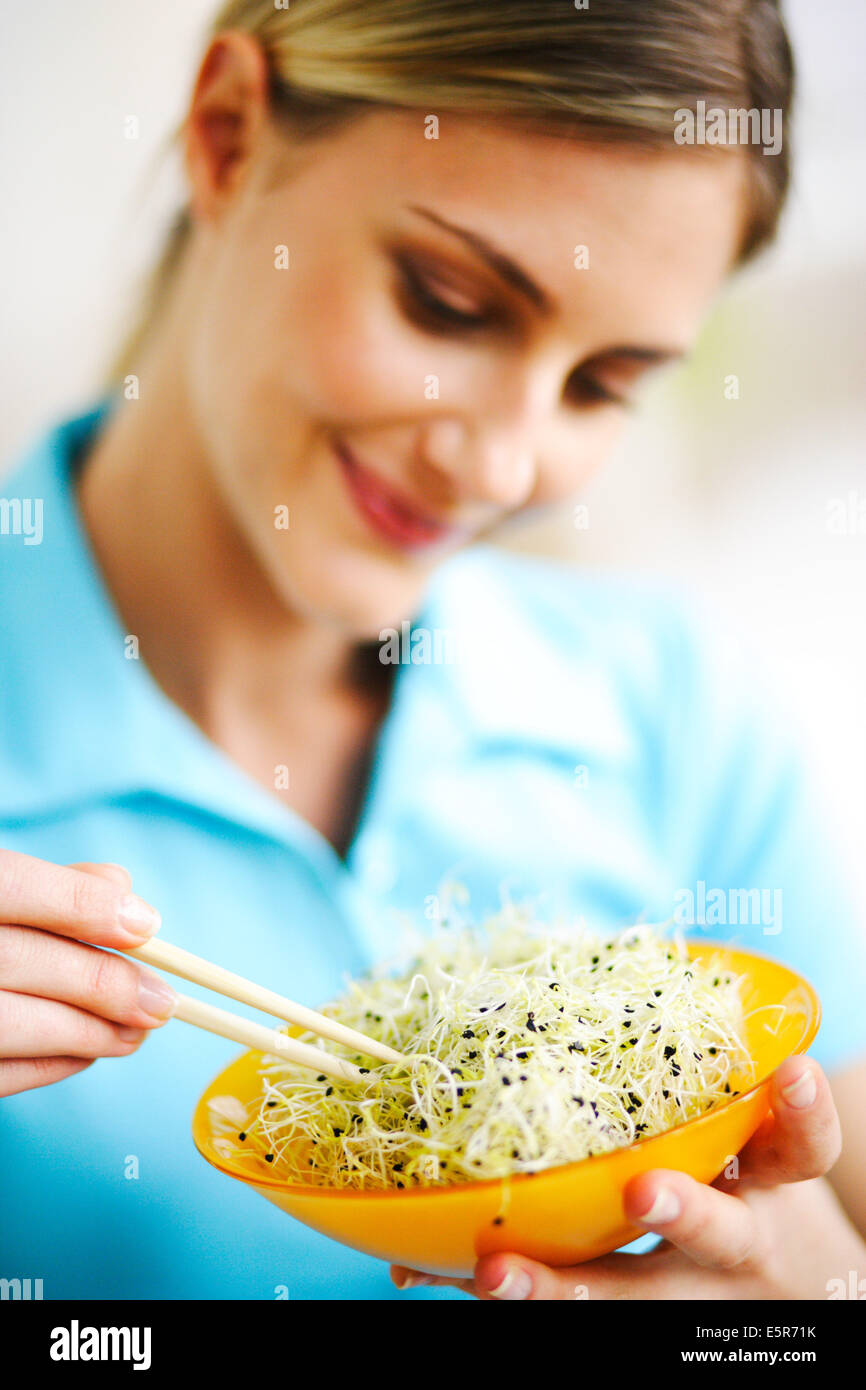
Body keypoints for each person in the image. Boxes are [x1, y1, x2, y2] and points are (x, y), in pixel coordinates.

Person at [1, 0, 864, 1302]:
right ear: (229, 134)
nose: (506, 462)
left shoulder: (679, 716)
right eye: (448, 303)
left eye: (600, 384)